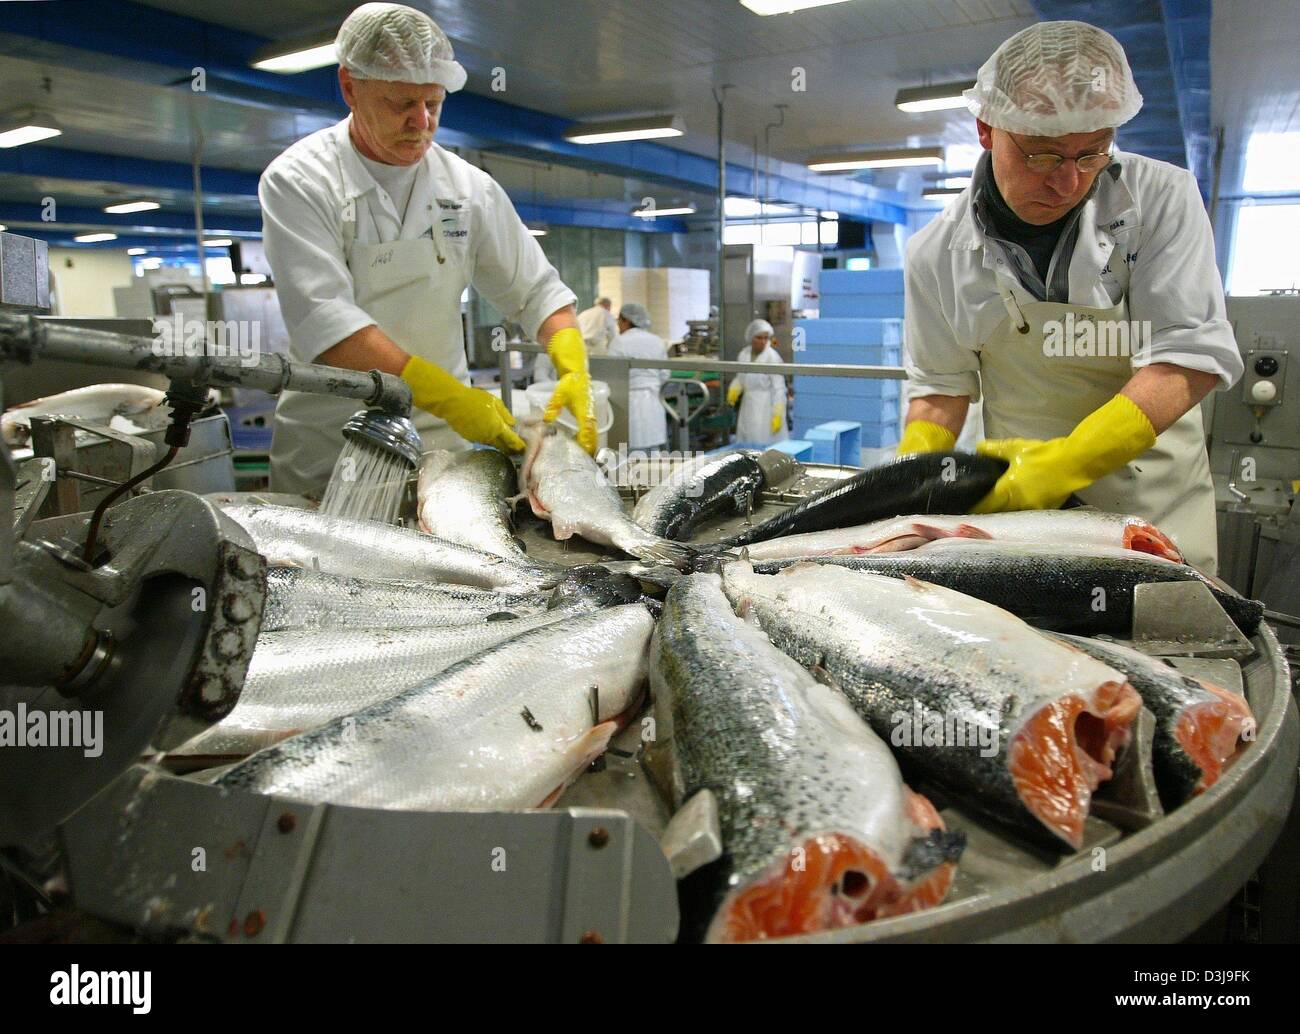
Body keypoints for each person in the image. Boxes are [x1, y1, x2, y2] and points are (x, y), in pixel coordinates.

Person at [898, 20, 1241, 573]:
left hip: (1153, 513)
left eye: (1091, 155)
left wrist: (1067, 462)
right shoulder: (935, 253)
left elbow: (1190, 356)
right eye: (1044, 156)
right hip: (1027, 516)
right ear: (987, 129)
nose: (1069, 183)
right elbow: (941, 387)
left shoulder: (1161, 200)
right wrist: (910, 484)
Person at [259, 2, 597, 497]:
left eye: (433, 104)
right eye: (401, 104)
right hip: (334, 446)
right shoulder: (300, 181)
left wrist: (572, 359)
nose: (421, 122)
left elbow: (537, 291)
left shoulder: (468, 189)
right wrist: (451, 396)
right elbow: (326, 323)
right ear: (350, 87)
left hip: (440, 448)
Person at [608, 302, 670, 452]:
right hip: (654, 401)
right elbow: (665, 374)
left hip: (628, 402)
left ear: (627, 321)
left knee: (630, 457)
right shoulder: (657, 341)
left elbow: (611, 375)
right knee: (654, 457)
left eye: (619, 322)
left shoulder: (619, 342)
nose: (618, 326)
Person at [727, 319, 789, 446]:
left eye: (766, 338)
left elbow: (779, 387)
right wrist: (735, 387)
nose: (763, 341)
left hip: (766, 404)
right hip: (748, 403)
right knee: (745, 440)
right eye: (759, 337)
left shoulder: (772, 357)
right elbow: (740, 377)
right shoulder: (743, 354)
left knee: (763, 441)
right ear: (751, 337)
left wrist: (778, 410)